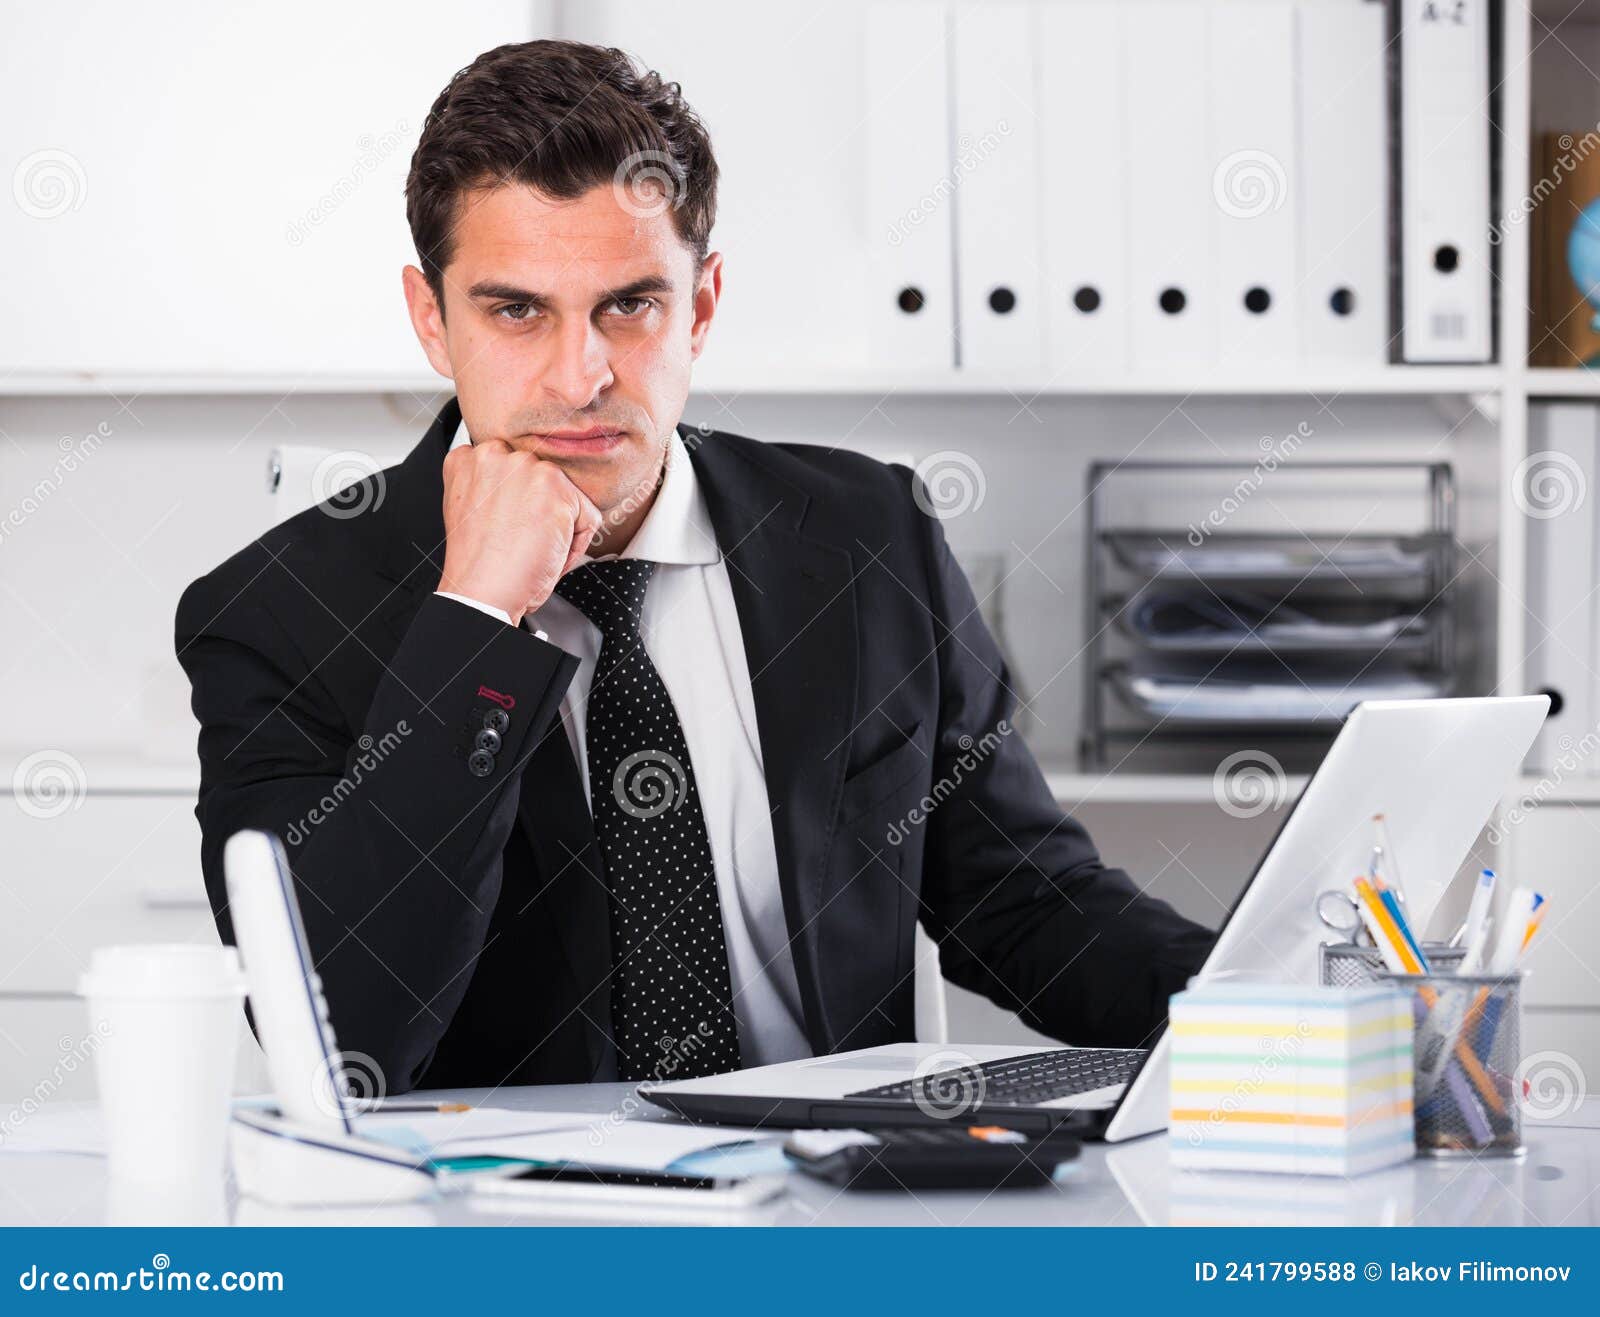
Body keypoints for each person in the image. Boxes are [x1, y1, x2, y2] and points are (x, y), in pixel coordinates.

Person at [175, 39, 1214, 1094]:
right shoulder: (275, 617)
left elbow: (1027, 903)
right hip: (501, 1229)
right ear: (432, 321)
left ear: (702, 307)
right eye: (516, 310)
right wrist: (477, 617)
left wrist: (1277, 1008)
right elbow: (343, 1033)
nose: (581, 377)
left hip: (829, 1199)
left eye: (629, 305)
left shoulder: (866, 536)